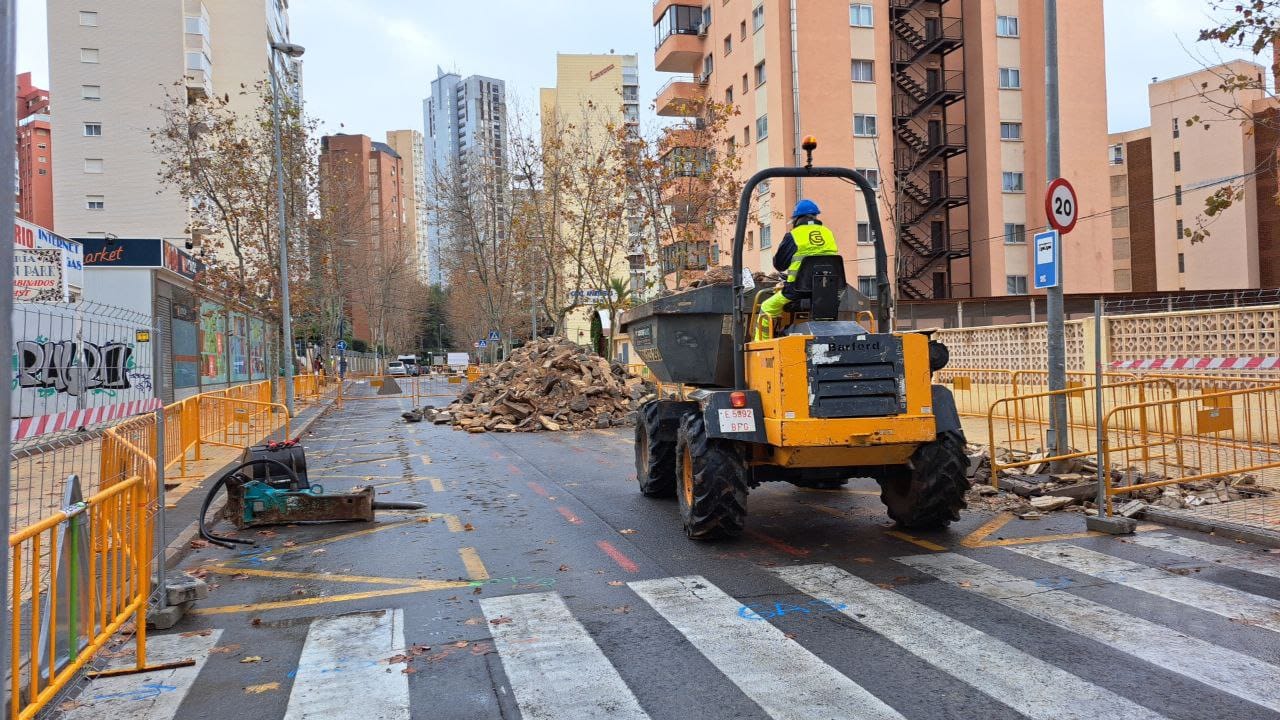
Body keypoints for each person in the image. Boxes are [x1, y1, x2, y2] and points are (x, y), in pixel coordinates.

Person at [755, 199, 840, 340]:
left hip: (797, 289)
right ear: (815, 217)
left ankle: (761, 346)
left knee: (766, 307)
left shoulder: (794, 235)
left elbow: (780, 265)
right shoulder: (828, 233)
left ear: (797, 219)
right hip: (827, 289)